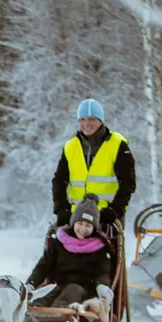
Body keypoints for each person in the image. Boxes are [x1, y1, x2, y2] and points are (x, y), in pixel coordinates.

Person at [51, 98, 136, 233]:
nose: (86, 124)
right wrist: (62, 209)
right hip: (75, 216)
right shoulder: (70, 146)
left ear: (100, 120)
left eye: (91, 119)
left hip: (106, 215)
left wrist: (115, 210)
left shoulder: (117, 144)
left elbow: (127, 182)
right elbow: (59, 181)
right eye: (82, 119)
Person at [26, 194, 114, 309]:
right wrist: (31, 284)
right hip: (58, 285)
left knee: (69, 293)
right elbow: (44, 266)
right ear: (73, 223)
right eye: (80, 223)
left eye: (88, 225)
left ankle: (57, 319)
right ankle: (35, 317)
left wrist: (102, 285)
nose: (83, 229)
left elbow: (103, 272)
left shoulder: (100, 247)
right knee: (43, 299)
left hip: (84, 290)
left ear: (94, 228)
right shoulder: (60, 242)